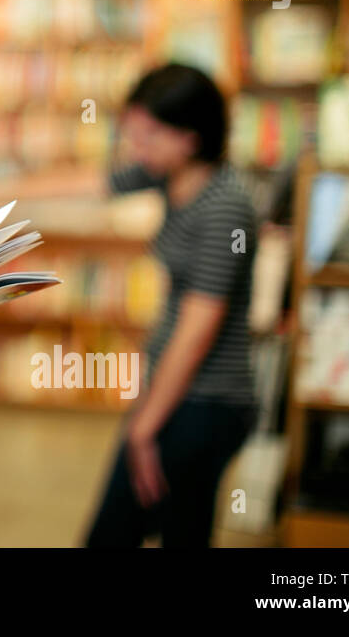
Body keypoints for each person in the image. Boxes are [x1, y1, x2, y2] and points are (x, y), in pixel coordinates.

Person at [82, 63, 259, 547]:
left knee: (118, 535)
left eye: (147, 136)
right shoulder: (169, 177)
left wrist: (145, 427)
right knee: (182, 534)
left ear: (188, 138)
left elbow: (198, 331)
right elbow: (87, 184)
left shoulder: (225, 207)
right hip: (179, 395)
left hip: (205, 403)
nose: (136, 150)